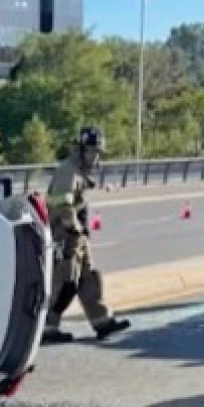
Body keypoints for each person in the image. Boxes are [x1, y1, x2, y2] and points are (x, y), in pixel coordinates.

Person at [41, 126, 131, 344]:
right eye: (92, 151)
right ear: (81, 150)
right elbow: (62, 203)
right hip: (65, 234)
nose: (96, 157)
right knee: (65, 282)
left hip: (77, 234)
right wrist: (72, 228)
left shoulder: (79, 171)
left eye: (98, 152)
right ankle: (48, 328)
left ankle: (102, 321)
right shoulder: (69, 171)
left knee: (88, 277)